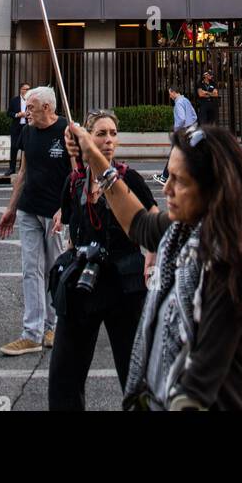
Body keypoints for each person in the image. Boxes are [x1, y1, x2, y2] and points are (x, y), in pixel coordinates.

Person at [68, 121, 242, 410]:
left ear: (214, 190)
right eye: (168, 177)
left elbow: (197, 387)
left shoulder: (228, 265)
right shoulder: (182, 229)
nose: (167, 190)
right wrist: (95, 159)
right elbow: (139, 224)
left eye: (180, 181)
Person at [47, 109, 157, 411]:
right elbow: (71, 227)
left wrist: (152, 257)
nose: (108, 140)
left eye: (113, 134)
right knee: (64, 377)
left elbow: (154, 222)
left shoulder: (129, 178)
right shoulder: (75, 182)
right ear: (88, 139)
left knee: (136, 374)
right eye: (100, 134)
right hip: (83, 283)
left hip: (124, 287)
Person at [0, 85, 70, 355]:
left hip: (56, 213)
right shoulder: (28, 132)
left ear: (47, 108)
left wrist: (67, 207)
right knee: (31, 269)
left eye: (30, 108)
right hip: (29, 209)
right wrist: (11, 208)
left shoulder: (66, 131)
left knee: (55, 270)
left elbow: (77, 173)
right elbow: (23, 172)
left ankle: (54, 326)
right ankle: (32, 332)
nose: (25, 112)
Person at [153, 86, 197, 186]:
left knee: (174, 153)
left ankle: (165, 177)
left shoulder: (178, 103)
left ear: (173, 92)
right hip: (190, 129)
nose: (169, 96)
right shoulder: (186, 100)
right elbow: (194, 116)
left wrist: (176, 129)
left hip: (182, 131)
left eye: (170, 93)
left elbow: (181, 119)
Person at [7, 81, 31, 172]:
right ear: (21, 90)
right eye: (26, 89)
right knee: (14, 147)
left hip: (26, 127)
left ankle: (23, 169)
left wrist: (29, 114)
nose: (28, 90)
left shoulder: (31, 100)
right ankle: (11, 168)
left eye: (29, 89)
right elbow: (9, 113)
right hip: (16, 127)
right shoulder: (14, 100)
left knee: (25, 148)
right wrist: (17, 114)